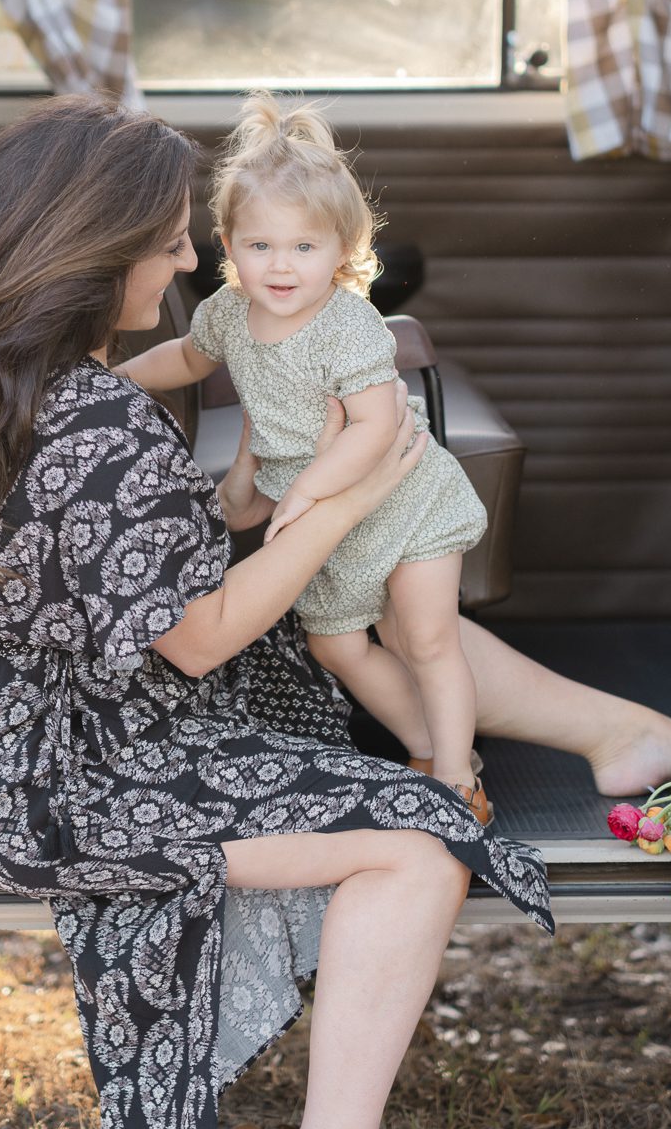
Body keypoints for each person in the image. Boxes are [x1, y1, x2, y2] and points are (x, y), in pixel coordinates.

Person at [0, 94, 671, 1129]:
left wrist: (270, 506)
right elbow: (195, 640)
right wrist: (339, 508)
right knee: (422, 847)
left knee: (340, 607)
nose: (192, 256)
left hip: (72, 714)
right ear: (95, 246)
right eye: (170, 237)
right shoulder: (93, 423)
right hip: (70, 773)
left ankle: (611, 731)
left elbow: (146, 564)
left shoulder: (39, 380)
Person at [118, 91, 494, 823]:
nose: (281, 267)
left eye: (304, 247)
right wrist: (117, 379)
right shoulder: (228, 313)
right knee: (335, 647)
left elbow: (374, 427)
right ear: (227, 246)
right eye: (259, 247)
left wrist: (306, 493)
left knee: (426, 637)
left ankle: (455, 779)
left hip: (402, 501)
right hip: (324, 519)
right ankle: (426, 743)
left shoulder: (350, 326)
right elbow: (189, 359)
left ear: (345, 252)